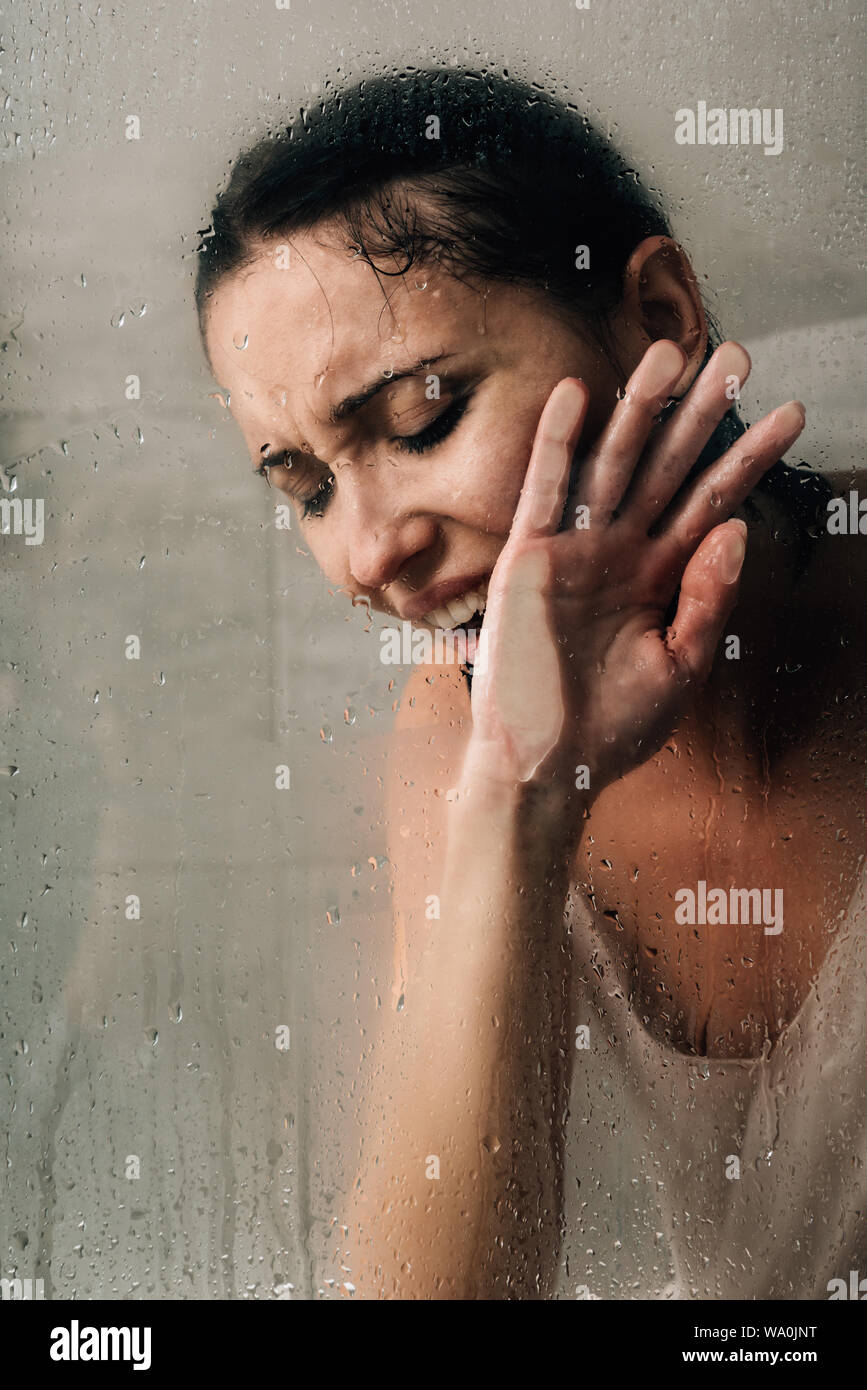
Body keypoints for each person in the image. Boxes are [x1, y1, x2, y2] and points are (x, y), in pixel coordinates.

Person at [194, 69, 867, 1299]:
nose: (363, 554)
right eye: (305, 487)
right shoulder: (459, 738)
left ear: (660, 318)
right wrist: (522, 798)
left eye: (423, 415)